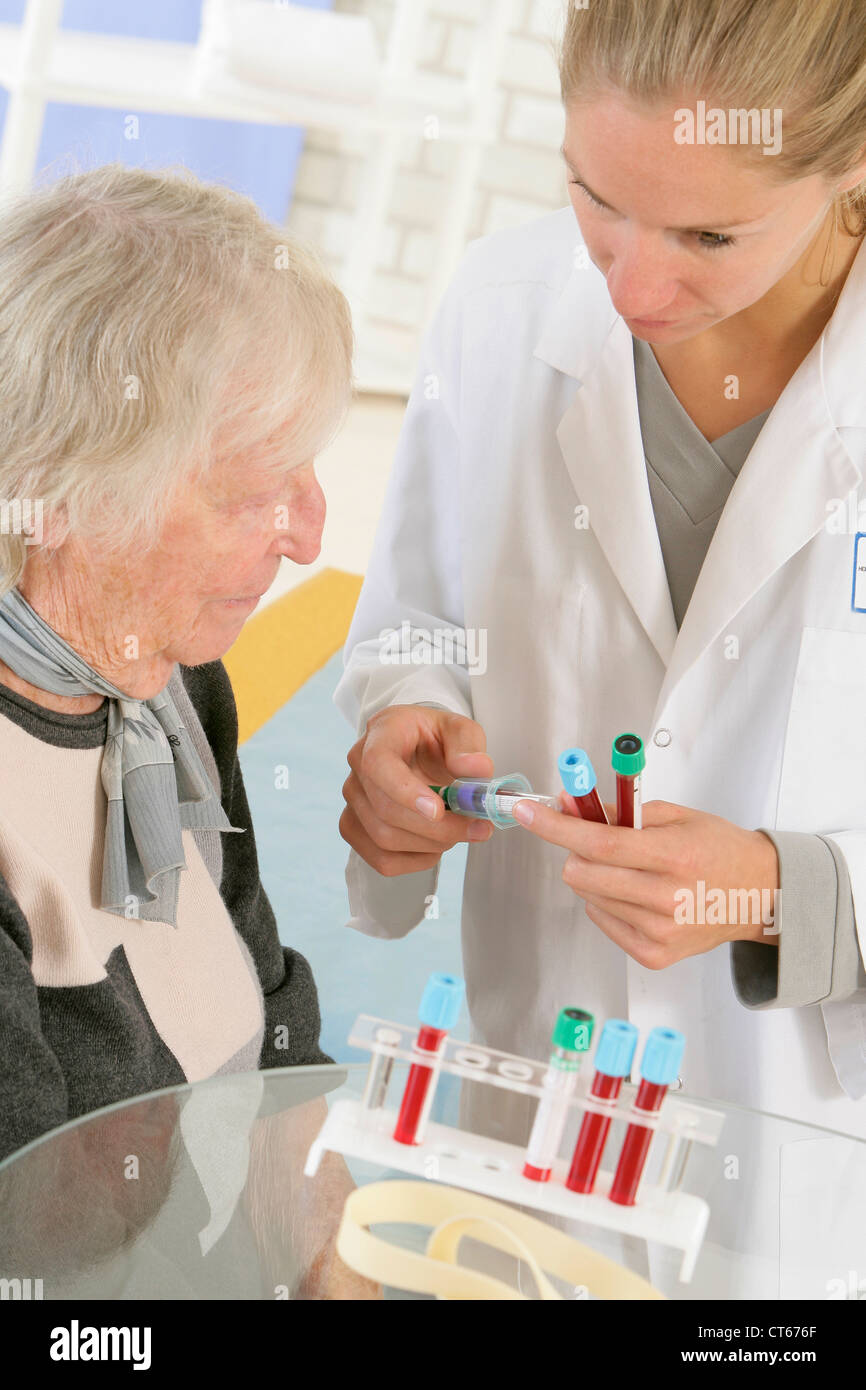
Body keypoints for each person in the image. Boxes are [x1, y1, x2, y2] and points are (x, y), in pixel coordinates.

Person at [336, 0, 866, 1249]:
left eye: (706, 232)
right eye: (594, 199)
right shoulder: (502, 305)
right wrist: (400, 729)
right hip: (532, 1102)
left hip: (809, 1161)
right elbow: (416, 611)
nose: (629, 281)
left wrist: (790, 891)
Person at [0, 162, 347, 1157]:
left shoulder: (174, 683)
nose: (310, 536)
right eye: (251, 491)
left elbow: (275, 1011)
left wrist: (327, 1247)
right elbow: (29, 1252)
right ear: (56, 495)